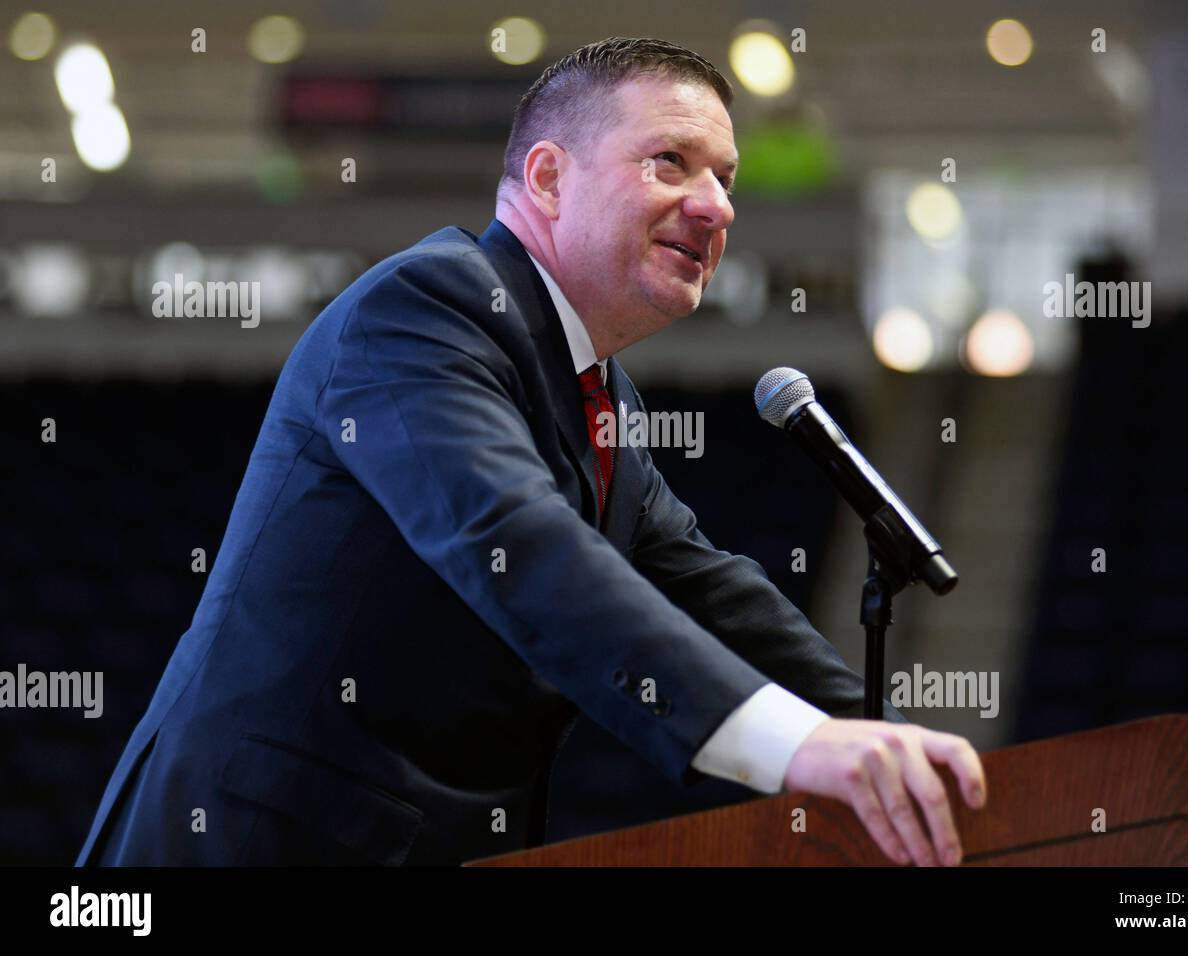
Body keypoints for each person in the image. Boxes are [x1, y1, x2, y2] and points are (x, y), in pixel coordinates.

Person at [76, 36, 984, 868]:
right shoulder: (425, 308)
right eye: (671, 161)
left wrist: (894, 741)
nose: (716, 205)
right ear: (548, 178)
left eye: (726, 178)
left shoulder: (600, 395)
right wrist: (798, 746)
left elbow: (716, 600)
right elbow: (516, 540)